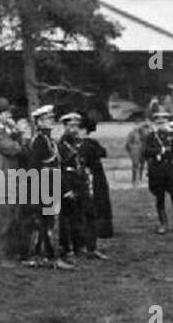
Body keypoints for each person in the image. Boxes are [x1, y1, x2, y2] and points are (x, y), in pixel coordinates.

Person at [24, 105, 74, 270]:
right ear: (38, 122)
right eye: (46, 119)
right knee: (47, 221)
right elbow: (34, 166)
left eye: (51, 118)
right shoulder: (39, 141)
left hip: (50, 182)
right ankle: (50, 257)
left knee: (48, 221)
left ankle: (42, 256)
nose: (50, 122)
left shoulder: (48, 140)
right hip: (44, 183)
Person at [0, 97, 26, 268]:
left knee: (10, 216)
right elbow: (13, 148)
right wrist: (19, 134)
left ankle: (7, 252)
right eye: (7, 112)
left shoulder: (3, 128)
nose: (10, 115)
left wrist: (15, 132)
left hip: (7, 175)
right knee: (2, 218)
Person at [56, 111, 92, 263]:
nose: (74, 129)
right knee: (67, 217)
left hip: (79, 179)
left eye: (77, 126)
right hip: (68, 180)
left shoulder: (78, 142)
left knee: (80, 214)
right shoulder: (61, 144)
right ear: (65, 126)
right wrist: (66, 189)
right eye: (71, 126)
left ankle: (80, 245)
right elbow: (60, 167)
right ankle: (67, 247)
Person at [145, 111, 173, 234]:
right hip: (157, 172)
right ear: (154, 124)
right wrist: (160, 150)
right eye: (158, 123)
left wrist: (161, 153)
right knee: (160, 198)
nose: (161, 125)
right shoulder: (151, 137)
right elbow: (146, 151)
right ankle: (163, 224)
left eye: (163, 123)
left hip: (170, 171)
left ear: (167, 123)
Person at [79, 117, 113, 251]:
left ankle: (100, 228)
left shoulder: (87, 144)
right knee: (98, 200)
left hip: (93, 174)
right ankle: (101, 228)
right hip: (95, 173)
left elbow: (101, 153)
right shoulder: (92, 143)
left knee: (97, 199)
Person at [126, 119, 148, 184]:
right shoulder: (132, 133)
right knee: (135, 165)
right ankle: (134, 179)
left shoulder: (144, 133)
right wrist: (131, 151)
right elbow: (128, 143)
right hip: (135, 151)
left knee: (142, 165)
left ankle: (140, 178)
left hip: (143, 150)